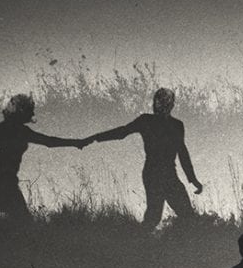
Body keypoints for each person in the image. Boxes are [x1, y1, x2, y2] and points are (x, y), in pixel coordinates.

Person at [82, 88, 203, 228]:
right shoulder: (161, 123)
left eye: (160, 102)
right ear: (172, 105)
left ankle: (144, 243)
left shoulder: (163, 123)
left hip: (162, 173)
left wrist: (192, 178)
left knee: (176, 215)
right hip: (158, 173)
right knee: (159, 216)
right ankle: (142, 244)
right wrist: (96, 138)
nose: (158, 105)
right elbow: (122, 132)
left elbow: (182, 152)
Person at [0, 93, 89, 217]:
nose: (32, 114)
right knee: (21, 216)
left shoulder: (4, 127)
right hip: (5, 175)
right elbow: (49, 142)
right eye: (30, 111)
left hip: (1, 173)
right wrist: (75, 143)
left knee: (15, 215)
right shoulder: (22, 131)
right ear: (23, 113)